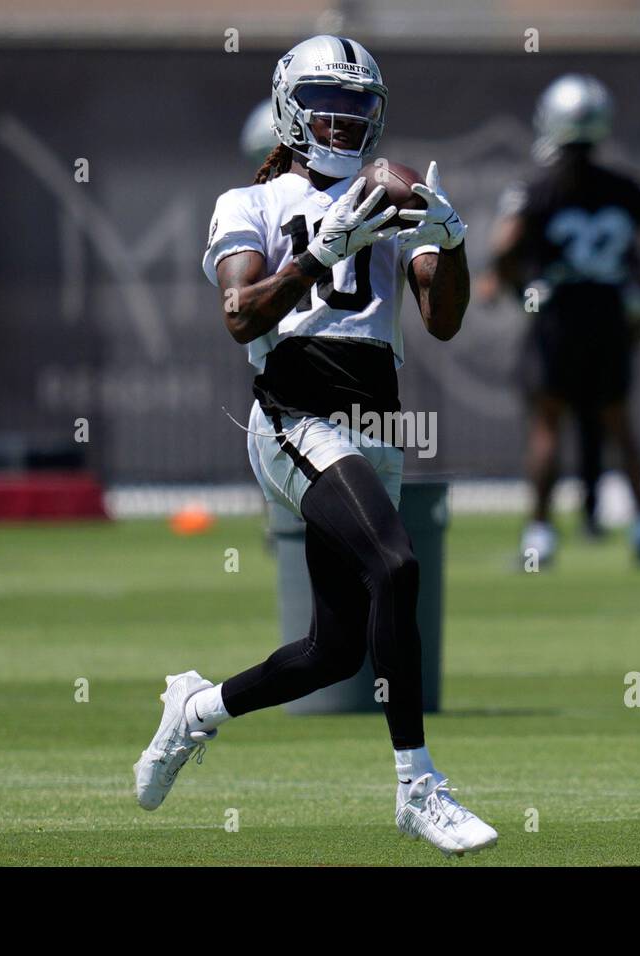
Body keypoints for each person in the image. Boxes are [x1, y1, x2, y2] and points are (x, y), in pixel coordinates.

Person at [132, 35, 498, 857]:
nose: (344, 122)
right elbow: (241, 318)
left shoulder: (390, 199)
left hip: (375, 427)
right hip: (295, 416)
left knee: (334, 651)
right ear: (292, 109)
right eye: (328, 104)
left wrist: (454, 236)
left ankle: (196, 710)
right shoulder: (247, 203)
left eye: (359, 106)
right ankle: (419, 787)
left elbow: (444, 320)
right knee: (397, 565)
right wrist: (320, 251)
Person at [481, 74, 640, 567]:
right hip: (610, 316)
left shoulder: (538, 188)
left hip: (558, 318)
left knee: (547, 425)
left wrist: (516, 288)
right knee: (619, 422)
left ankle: (540, 537)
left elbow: (505, 247)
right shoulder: (622, 186)